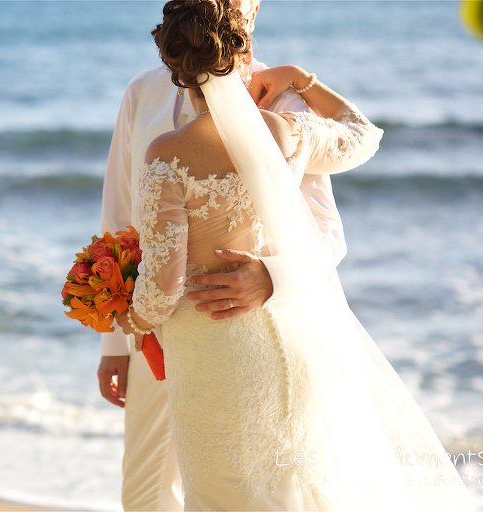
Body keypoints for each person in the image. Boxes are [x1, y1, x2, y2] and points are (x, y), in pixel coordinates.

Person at [115, 0, 474, 510]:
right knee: (293, 489)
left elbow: (163, 286)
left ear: (175, 65)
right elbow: (362, 136)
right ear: (244, 50)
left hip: (214, 358)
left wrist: (127, 314)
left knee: (225, 495)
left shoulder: (166, 156)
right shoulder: (285, 132)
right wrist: (305, 81)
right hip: (287, 340)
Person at [97, 0, 348, 509]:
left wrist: (271, 277)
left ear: (253, 11)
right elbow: (120, 214)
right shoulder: (141, 92)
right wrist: (113, 344)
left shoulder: (283, 103)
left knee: (243, 490)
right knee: (143, 495)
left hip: (246, 331)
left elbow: (326, 233)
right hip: (152, 336)